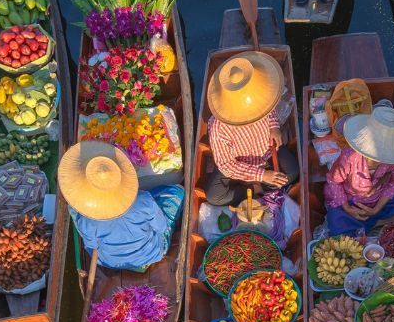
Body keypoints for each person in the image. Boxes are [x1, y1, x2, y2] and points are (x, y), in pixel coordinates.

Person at [58, 141, 184, 271]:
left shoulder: (86, 217)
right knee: (178, 191)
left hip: (108, 261)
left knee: (73, 210)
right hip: (150, 254)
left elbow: (92, 244)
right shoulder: (143, 200)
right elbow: (161, 227)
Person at [206, 51, 299, 207]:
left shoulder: (260, 96)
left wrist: (274, 127)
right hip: (239, 164)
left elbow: (271, 111)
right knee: (214, 197)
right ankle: (254, 189)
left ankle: (257, 187)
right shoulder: (218, 126)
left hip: (267, 152)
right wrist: (262, 176)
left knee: (293, 172)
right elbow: (226, 165)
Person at [324, 105, 394, 236]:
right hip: (352, 200)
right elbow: (334, 181)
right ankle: (380, 223)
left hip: (380, 197)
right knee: (337, 226)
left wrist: (376, 209)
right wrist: (347, 208)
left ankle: (379, 222)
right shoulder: (349, 157)